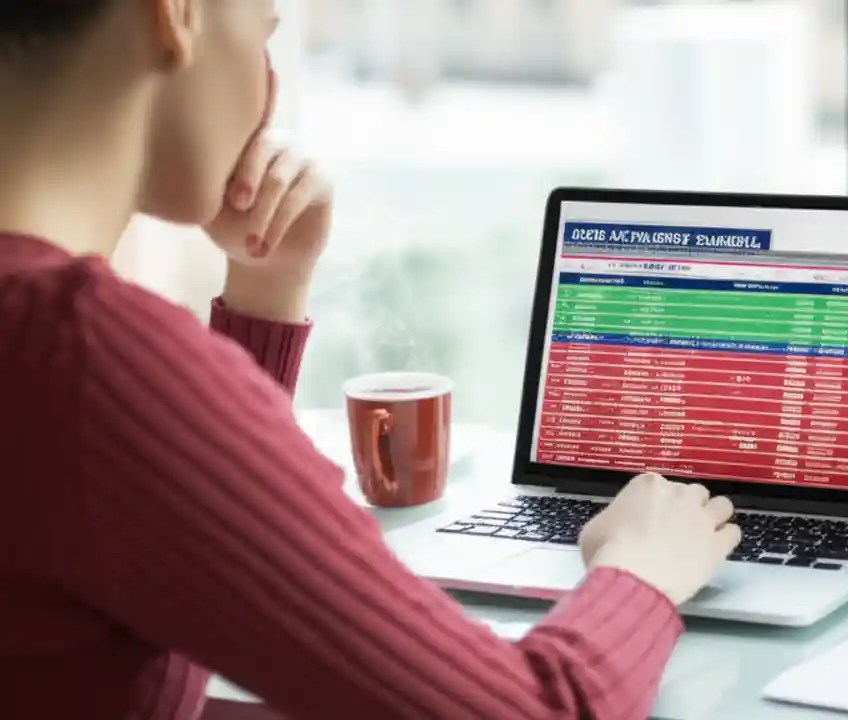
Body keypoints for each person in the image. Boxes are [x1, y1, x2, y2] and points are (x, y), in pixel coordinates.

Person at [0, 2, 741, 718]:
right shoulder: (86, 359)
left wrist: (269, 284)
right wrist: (641, 569)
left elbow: (176, 547)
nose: (269, 91)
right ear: (176, 14)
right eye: (263, 35)